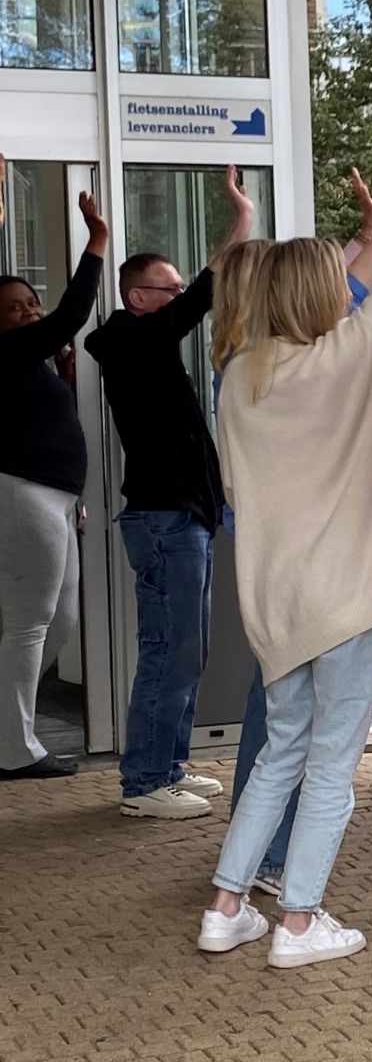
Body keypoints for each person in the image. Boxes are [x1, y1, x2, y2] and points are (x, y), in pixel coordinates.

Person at [195, 155, 372, 969]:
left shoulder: (238, 376)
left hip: (277, 600)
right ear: (320, 296)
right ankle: (299, 922)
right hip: (344, 600)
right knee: (332, 764)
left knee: (281, 751)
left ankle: (228, 904)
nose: (352, 288)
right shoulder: (353, 353)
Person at [85, 167, 254, 820]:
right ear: (138, 296)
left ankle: (169, 766)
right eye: (170, 288)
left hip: (179, 519)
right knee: (171, 652)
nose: (184, 296)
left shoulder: (147, 348)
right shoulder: (130, 340)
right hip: (163, 522)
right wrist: (240, 220)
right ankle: (146, 782)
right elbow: (206, 293)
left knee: (184, 649)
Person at [0, 189, 107, 780]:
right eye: (15, 307)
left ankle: (6, 728)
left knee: (59, 620)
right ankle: (15, 750)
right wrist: (95, 242)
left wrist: (65, 378)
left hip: (57, 497)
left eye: (31, 303)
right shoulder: (4, 352)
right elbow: (71, 316)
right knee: (30, 622)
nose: (29, 313)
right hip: (22, 492)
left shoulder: (28, 365)